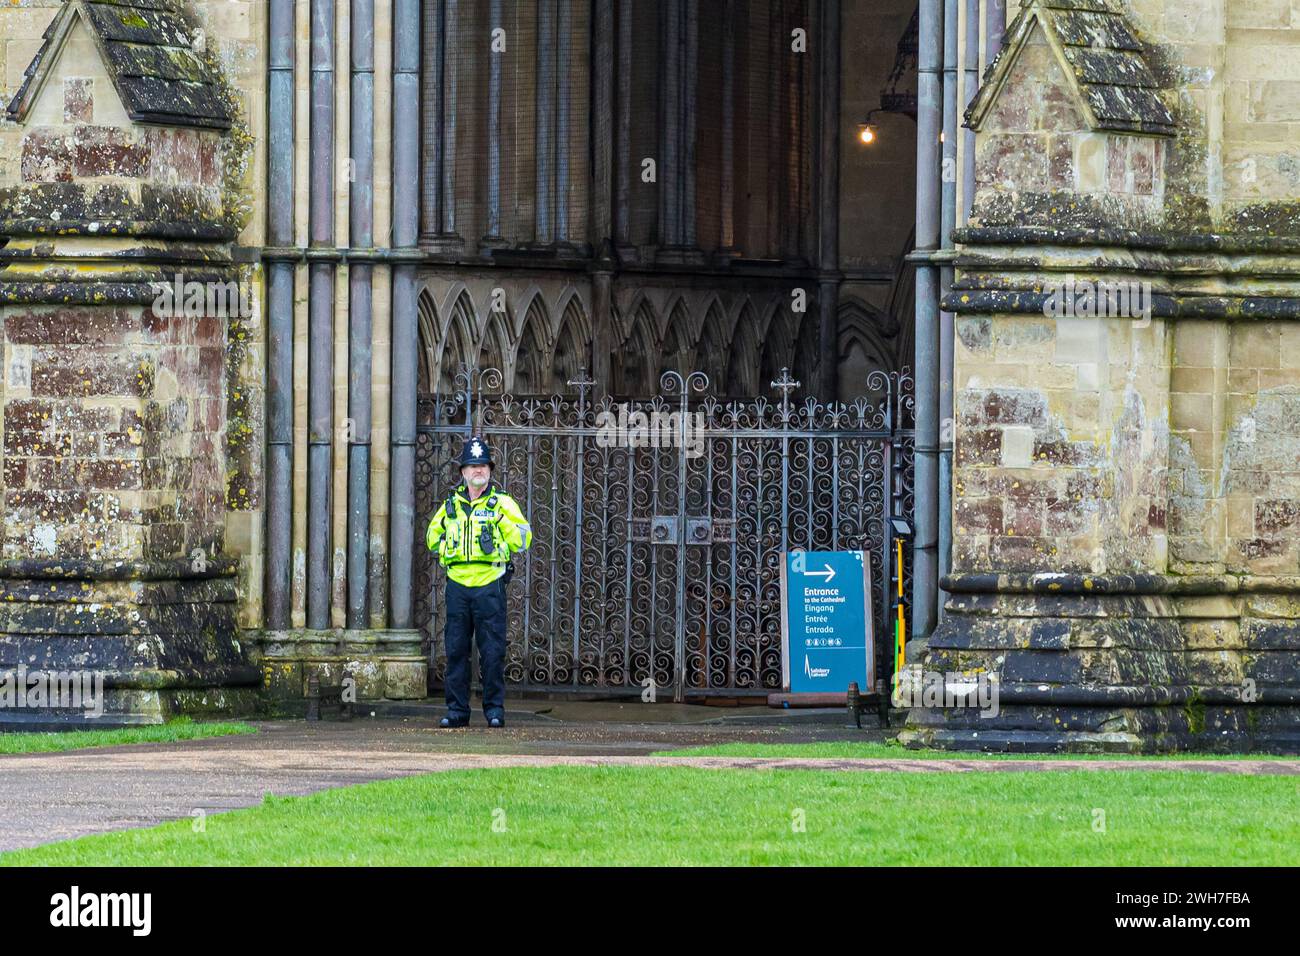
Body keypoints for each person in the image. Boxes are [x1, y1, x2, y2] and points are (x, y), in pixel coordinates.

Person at [426, 436, 532, 728]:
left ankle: (494, 710)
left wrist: (502, 522)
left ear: (490, 471)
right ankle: (457, 712)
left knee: (492, 651)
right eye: (472, 466)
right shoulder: (451, 506)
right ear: (462, 472)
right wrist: (447, 543)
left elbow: (524, 539)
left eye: (483, 466)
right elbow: (431, 539)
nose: (478, 471)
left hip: (490, 584)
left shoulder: (504, 503)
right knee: (457, 650)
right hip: (458, 586)